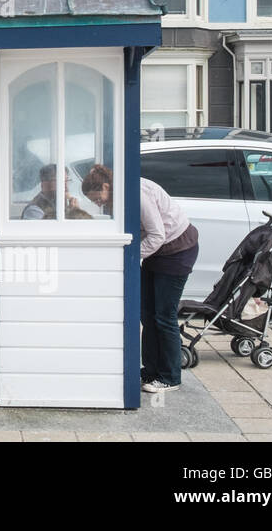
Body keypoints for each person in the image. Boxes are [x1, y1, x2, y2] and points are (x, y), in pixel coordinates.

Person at [82, 164, 198, 394]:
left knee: (164, 315)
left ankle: (170, 376)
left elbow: (157, 235)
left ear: (106, 186)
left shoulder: (137, 194)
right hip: (159, 252)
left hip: (177, 250)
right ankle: (152, 369)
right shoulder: (116, 196)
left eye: (97, 198)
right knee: (147, 313)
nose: (98, 204)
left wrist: (130, 256)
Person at [21, 163, 92, 220]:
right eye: (60, 182)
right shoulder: (33, 210)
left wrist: (75, 211)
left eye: (67, 181)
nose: (66, 187)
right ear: (45, 184)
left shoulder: (61, 203)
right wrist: (74, 214)